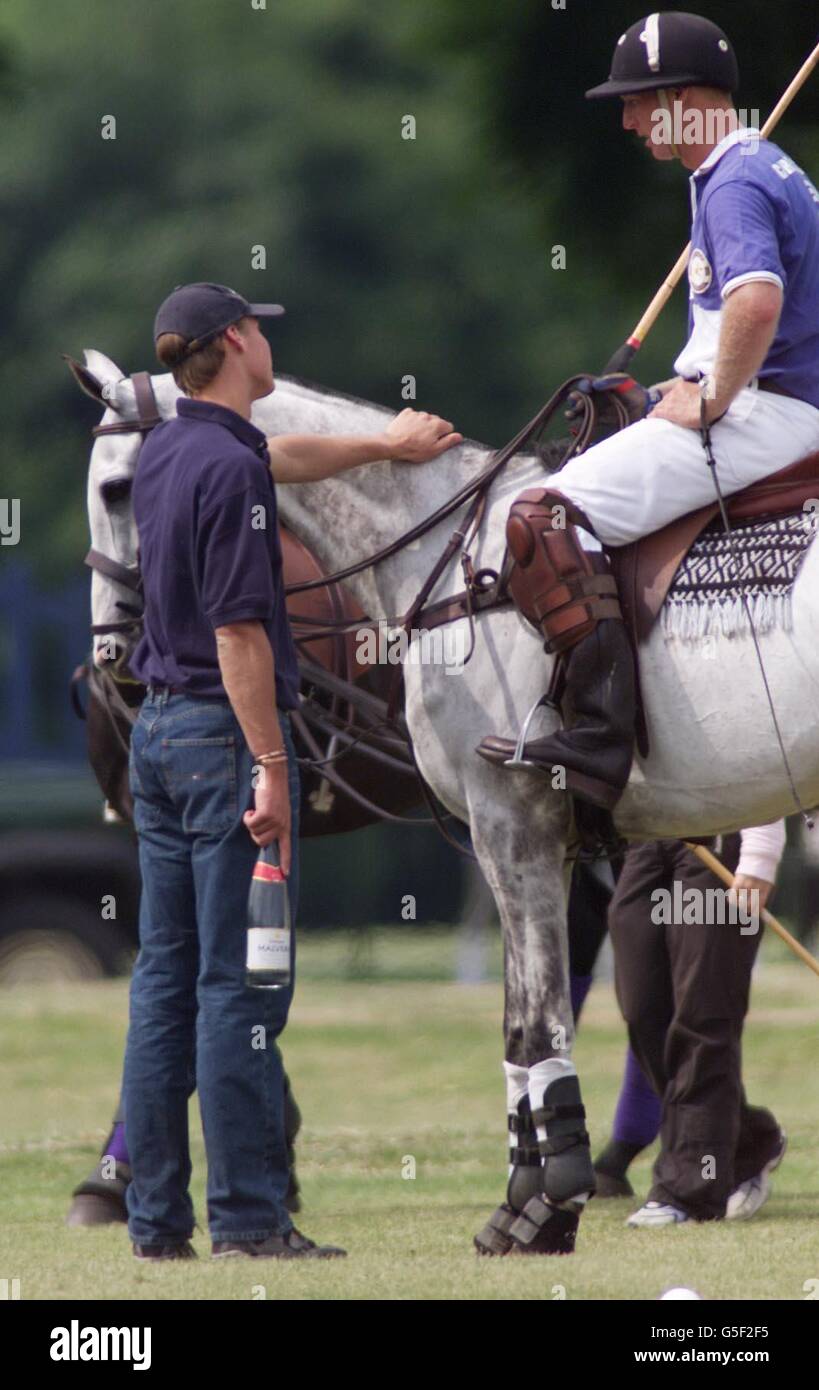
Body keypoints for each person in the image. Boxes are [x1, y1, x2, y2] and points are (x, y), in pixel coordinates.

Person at [123, 281, 461, 1260]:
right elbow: (239, 634)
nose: (269, 346)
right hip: (227, 738)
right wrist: (273, 765)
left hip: (158, 737)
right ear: (234, 342)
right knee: (241, 988)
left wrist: (385, 447)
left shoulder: (173, 451)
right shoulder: (229, 474)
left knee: (165, 982)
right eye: (259, 332)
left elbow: (282, 459)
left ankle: (154, 1225)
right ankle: (250, 1221)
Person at [477, 12, 819, 812]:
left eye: (637, 101)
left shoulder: (734, 180)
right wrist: (682, 386)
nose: (627, 120)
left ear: (683, 98)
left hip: (768, 415)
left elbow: (756, 302)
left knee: (539, 515)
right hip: (777, 403)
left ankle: (596, 736)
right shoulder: (754, 167)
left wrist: (709, 397)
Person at [606, 821, 787, 1226]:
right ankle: (746, 1139)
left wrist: (761, 849)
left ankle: (688, 1192)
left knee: (703, 1015)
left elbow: (758, 755)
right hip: (648, 836)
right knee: (642, 1008)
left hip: (723, 829)